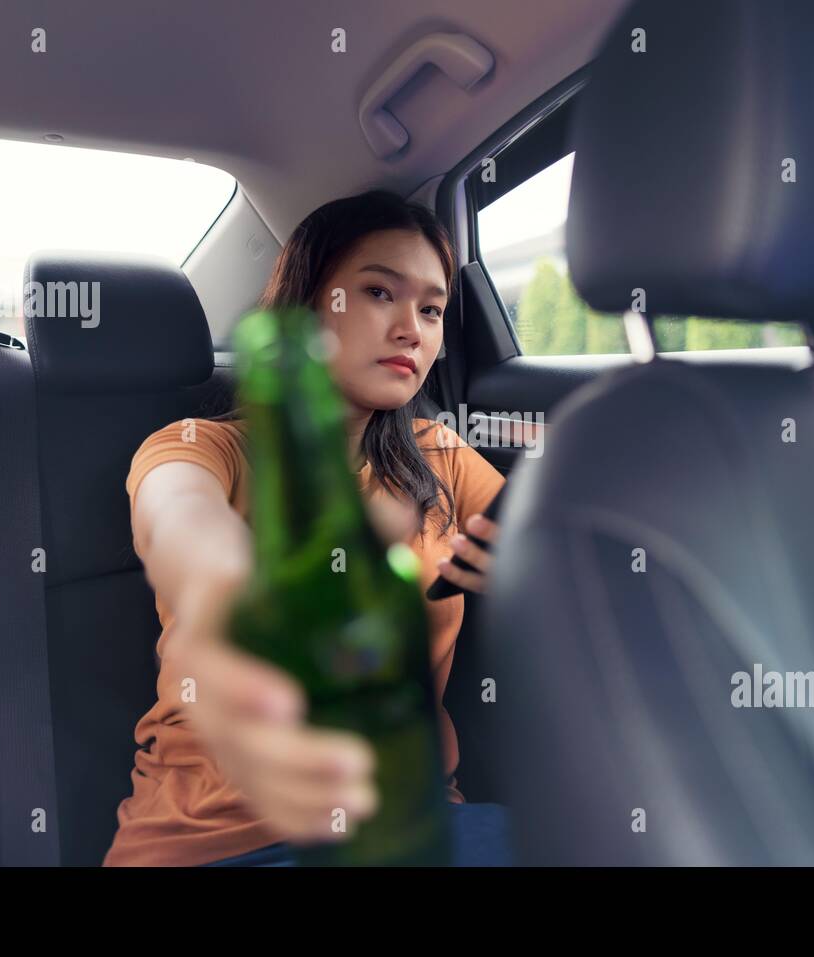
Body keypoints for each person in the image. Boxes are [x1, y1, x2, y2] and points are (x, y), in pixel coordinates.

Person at [101, 191, 509, 866]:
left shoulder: (440, 456)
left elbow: (549, 537)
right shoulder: (205, 447)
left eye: (432, 309)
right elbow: (178, 521)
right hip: (220, 844)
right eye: (380, 292)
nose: (412, 327)